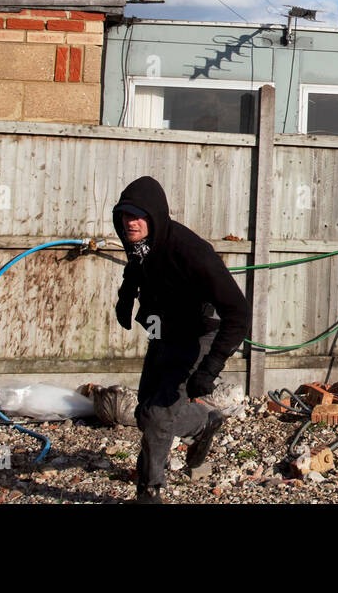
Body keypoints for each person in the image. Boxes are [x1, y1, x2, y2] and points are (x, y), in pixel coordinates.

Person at [112, 175, 250, 503]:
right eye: (126, 215)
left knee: (158, 414)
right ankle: (203, 423)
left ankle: (150, 492)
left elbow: (239, 313)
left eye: (139, 215)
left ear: (155, 216)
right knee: (146, 414)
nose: (131, 222)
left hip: (199, 333)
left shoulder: (192, 253)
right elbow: (137, 268)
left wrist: (210, 367)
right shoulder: (141, 243)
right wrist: (126, 297)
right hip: (164, 330)